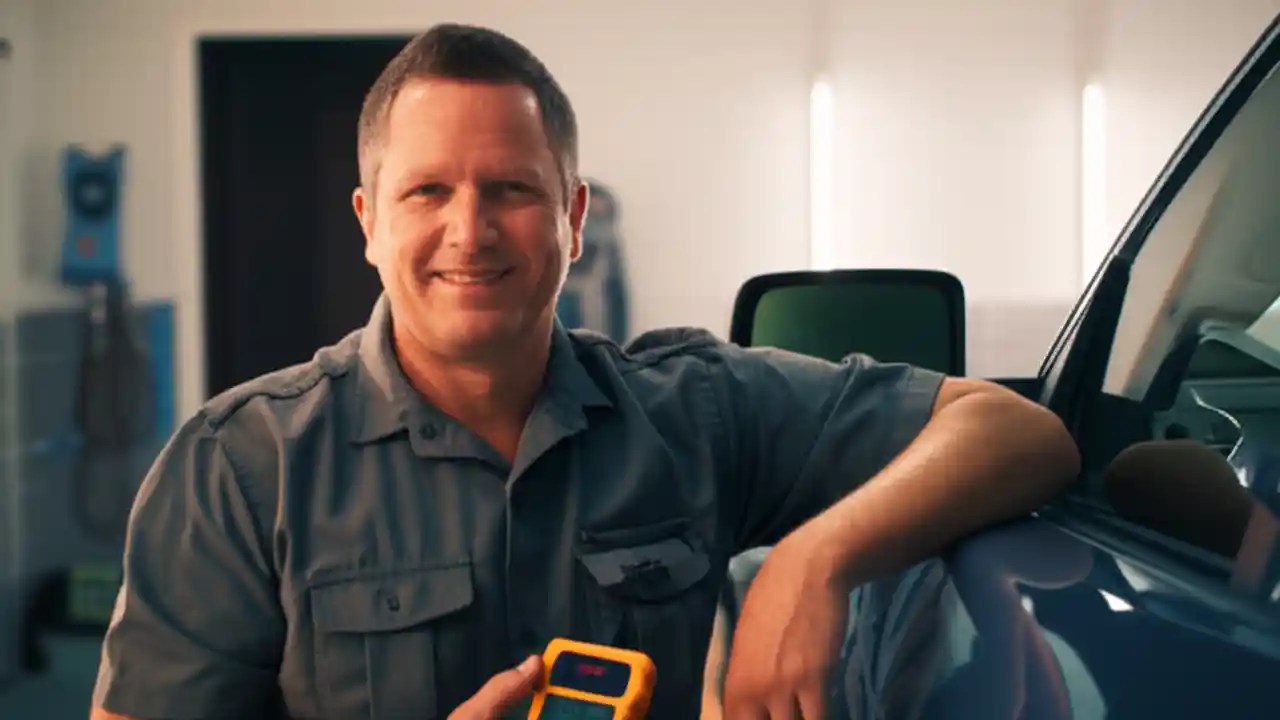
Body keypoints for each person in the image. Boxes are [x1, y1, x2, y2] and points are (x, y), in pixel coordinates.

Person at [89, 23, 1079, 720]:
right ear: (370, 221)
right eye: (428, 189)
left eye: (510, 190)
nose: (468, 231)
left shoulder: (698, 412)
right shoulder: (234, 467)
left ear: (571, 217)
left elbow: (1016, 432)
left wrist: (815, 558)